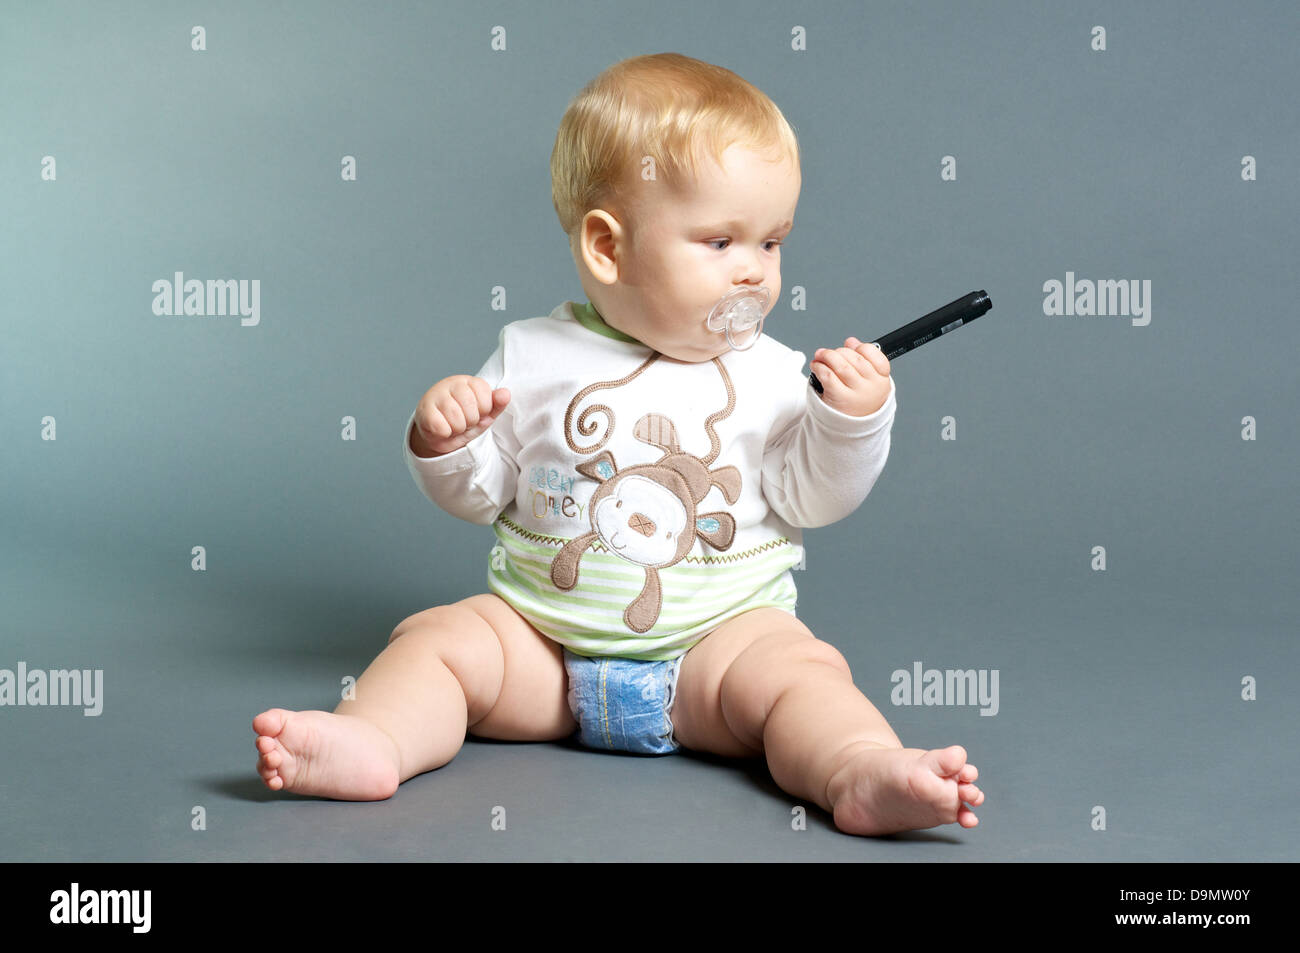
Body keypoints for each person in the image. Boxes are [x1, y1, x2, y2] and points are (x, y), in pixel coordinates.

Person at [253, 52, 984, 835]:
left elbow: (816, 496)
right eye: (720, 242)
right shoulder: (532, 356)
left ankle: (857, 768)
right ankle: (375, 740)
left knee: (804, 673)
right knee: (437, 639)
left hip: (716, 660)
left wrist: (851, 419)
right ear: (609, 247)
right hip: (541, 653)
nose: (755, 275)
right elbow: (481, 494)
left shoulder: (776, 376)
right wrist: (445, 443)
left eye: (771, 244)